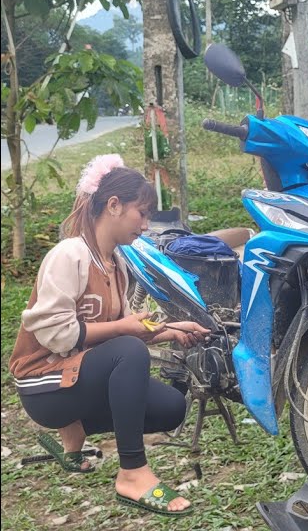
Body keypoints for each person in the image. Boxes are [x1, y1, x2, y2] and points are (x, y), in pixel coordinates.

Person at [7, 155, 210, 516]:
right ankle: (132, 472)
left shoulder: (116, 264)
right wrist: (126, 330)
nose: (146, 225)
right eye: (142, 213)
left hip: (77, 375)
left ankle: (77, 427)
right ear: (114, 206)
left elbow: (125, 329)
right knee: (128, 350)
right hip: (44, 385)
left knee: (171, 408)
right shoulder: (70, 254)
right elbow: (57, 333)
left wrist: (173, 330)